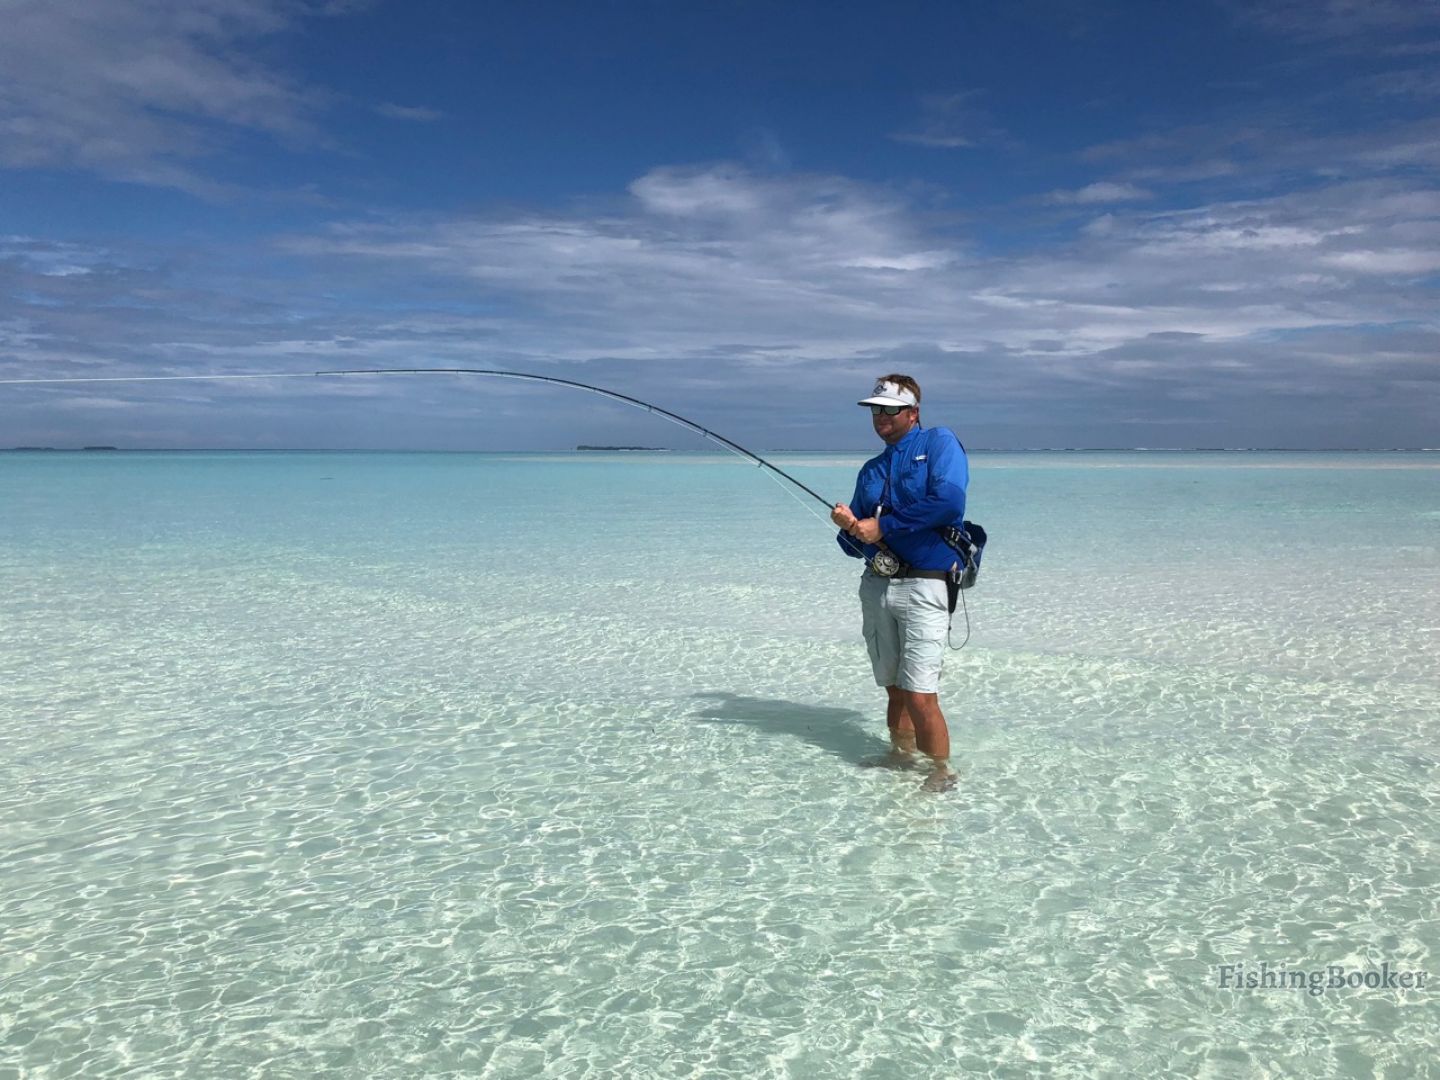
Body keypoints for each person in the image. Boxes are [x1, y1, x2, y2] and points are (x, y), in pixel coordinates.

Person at [830, 375, 969, 793]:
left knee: (920, 691)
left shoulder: (940, 443)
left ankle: (942, 771)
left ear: (913, 412)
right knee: (893, 687)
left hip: (925, 584)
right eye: (876, 409)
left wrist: (882, 526)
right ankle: (900, 756)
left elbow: (949, 502)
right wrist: (850, 528)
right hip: (877, 585)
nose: (881, 418)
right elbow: (849, 544)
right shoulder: (871, 469)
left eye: (890, 409)